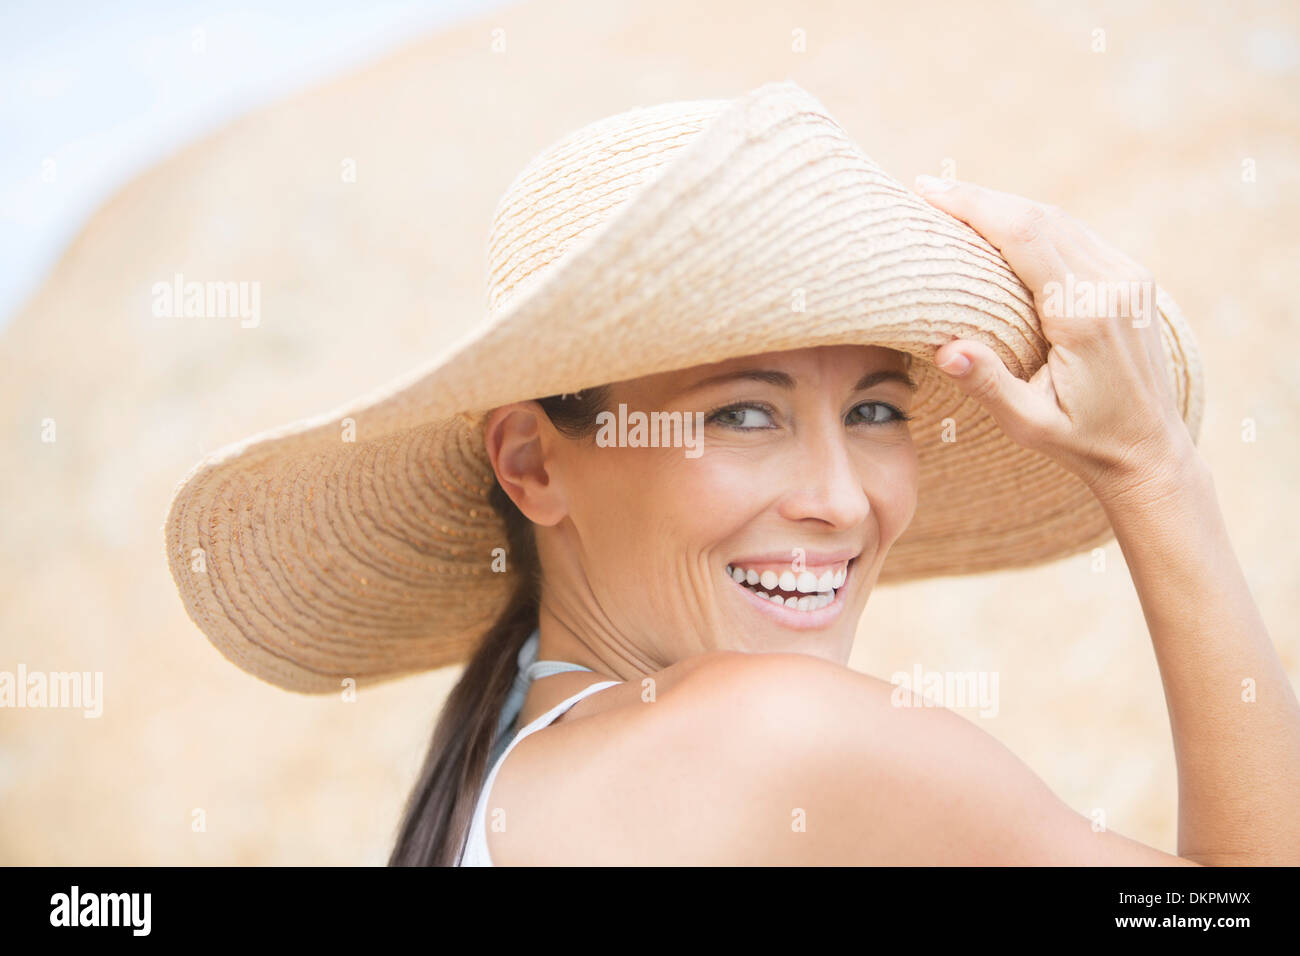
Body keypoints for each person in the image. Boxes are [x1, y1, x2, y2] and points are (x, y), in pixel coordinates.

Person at [162, 81, 1300, 867]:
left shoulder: (505, 758)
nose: (841, 497)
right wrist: (1155, 472)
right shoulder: (769, 732)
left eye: (871, 408)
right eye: (744, 412)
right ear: (530, 462)